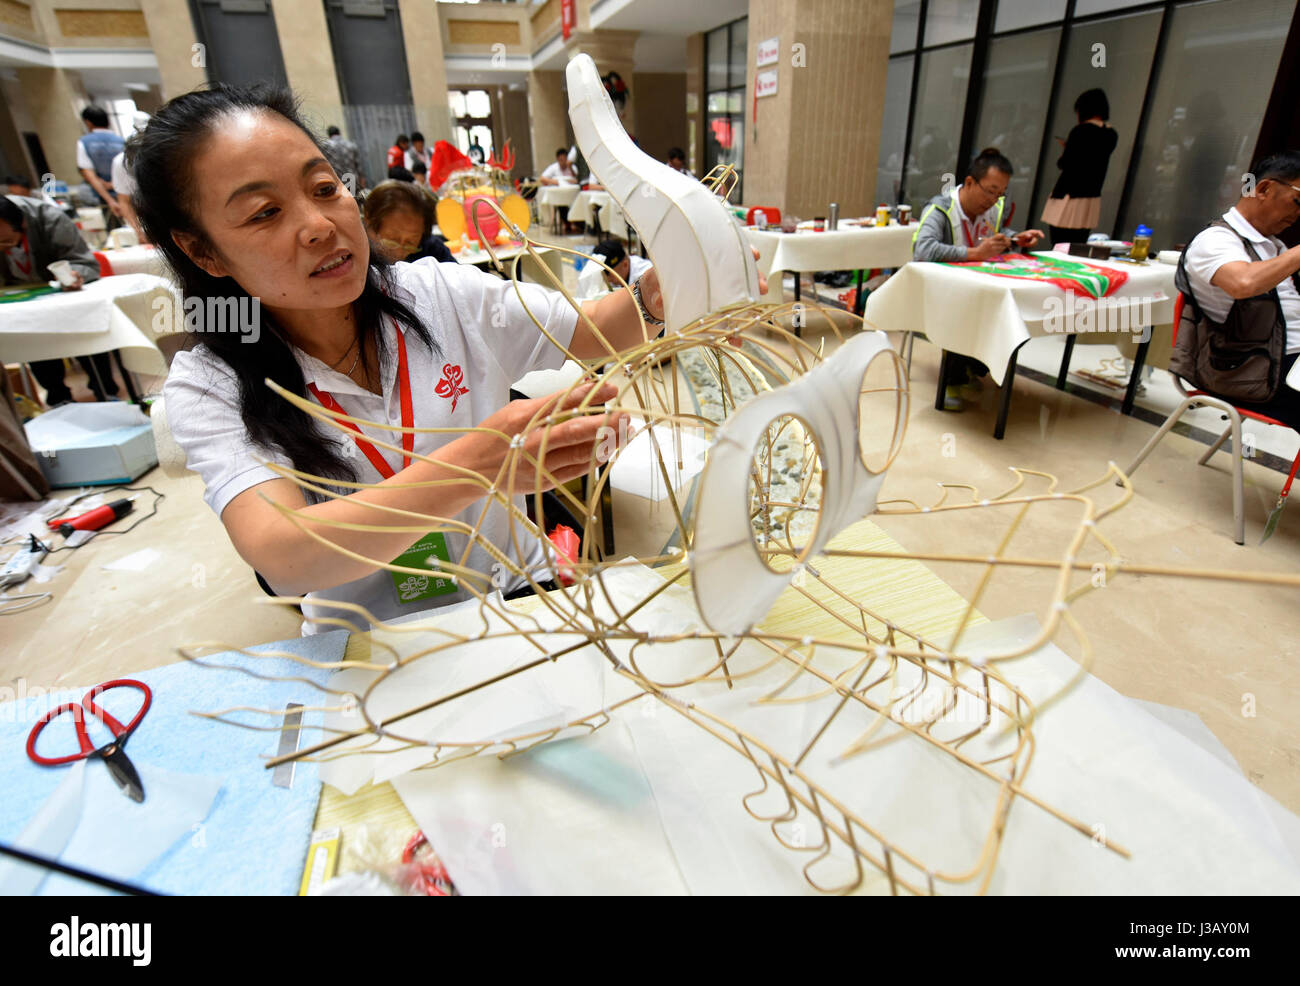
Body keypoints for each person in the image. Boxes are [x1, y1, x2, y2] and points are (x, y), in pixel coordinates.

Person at [139, 84, 682, 634]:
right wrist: (477, 466)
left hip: (516, 588)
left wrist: (660, 294)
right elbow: (281, 556)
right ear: (203, 251)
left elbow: (593, 328)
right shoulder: (210, 385)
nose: (320, 225)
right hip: (370, 635)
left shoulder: (439, 293)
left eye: (324, 188)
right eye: (264, 213)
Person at [1171, 150, 1300, 430]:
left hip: (1285, 363)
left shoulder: (1274, 246)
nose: (1298, 214)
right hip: (1249, 371)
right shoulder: (1215, 240)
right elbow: (1243, 284)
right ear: (1264, 188)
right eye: (1298, 201)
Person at [913, 147, 1044, 411]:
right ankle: (952, 379)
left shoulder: (992, 211)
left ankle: (975, 367)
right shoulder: (940, 209)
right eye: (990, 190)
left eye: (1000, 193)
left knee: (1011, 308)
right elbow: (923, 250)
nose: (994, 200)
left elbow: (995, 234)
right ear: (970, 183)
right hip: (941, 291)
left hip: (980, 286)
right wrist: (975, 253)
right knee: (967, 311)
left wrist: (1016, 238)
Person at [1, 194, 120, 405]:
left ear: (21, 223)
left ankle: (104, 389)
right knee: (27, 334)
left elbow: (85, 262)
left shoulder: (49, 218)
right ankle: (58, 397)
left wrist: (72, 275)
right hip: (22, 300)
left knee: (83, 324)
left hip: (64, 294)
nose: (5, 248)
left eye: (7, 242)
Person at [1041, 89, 1118, 245]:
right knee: (1077, 245)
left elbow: (1065, 163)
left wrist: (1067, 148)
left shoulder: (1080, 131)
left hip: (1069, 196)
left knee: (1059, 243)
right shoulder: (1111, 134)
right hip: (1091, 196)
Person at [362, 179, 435, 263]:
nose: (399, 253)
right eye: (392, 240)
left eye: (410, 243)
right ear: (368, 222)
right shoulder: (353, 258)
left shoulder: (431, 249)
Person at [76, 105, 125, 219]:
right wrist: (114, 184)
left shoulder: (84, 142)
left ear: (88, 122)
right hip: (124, 192)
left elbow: (89, 175)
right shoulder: (121, 141)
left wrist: (110, 200)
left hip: (100, 197)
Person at [110, 112, 150, 242]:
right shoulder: (120, 162)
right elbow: (124, 201)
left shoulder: (166, 154)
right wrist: (138, 232)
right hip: (145, 217)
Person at [323, 125, 367, 191]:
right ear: (339, 133)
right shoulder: (351, 145)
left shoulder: (325, 146)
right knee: (354, 198)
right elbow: (358, 166)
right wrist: (362, 181)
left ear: (329, 135)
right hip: (353, 181)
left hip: (337, 182)